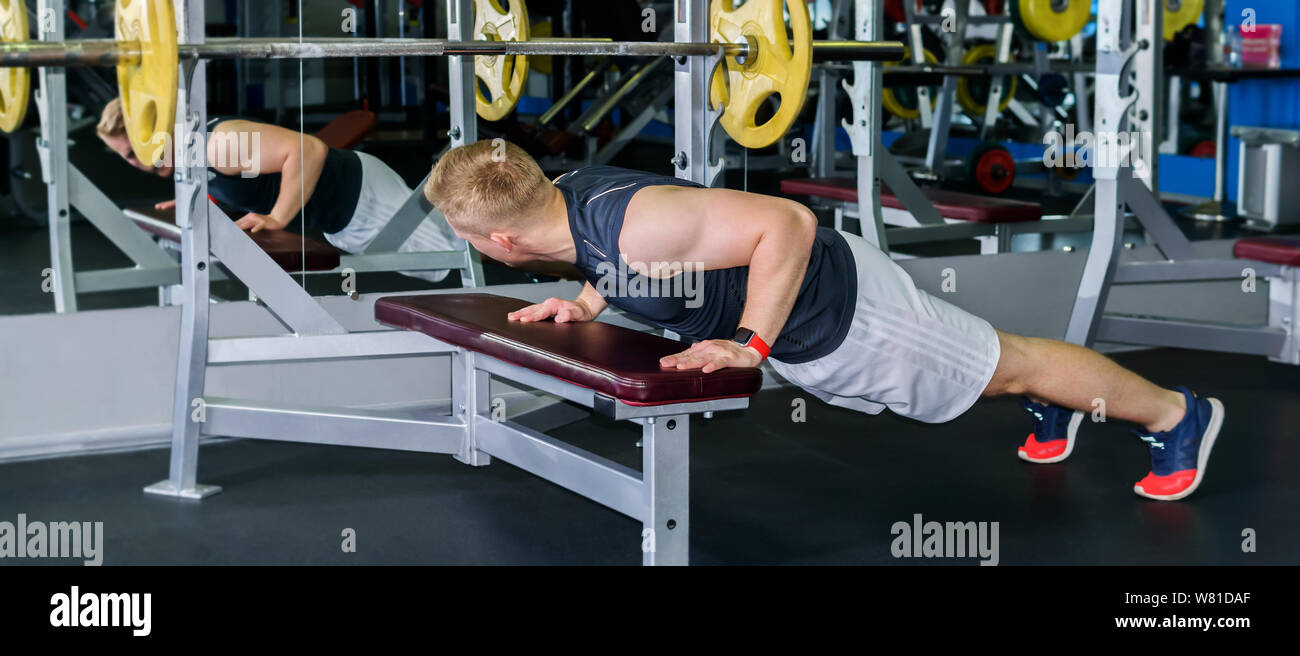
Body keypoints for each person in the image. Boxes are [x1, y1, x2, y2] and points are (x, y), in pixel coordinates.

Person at [423, 139, 1224, 502]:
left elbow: (787, 226)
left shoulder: (637, 222)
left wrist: (751, 345)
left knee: (1005, 362)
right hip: (820, 327)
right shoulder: (568, 201)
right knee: (975, 376)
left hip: (844, 312)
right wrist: (589, 300)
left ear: (498, 241)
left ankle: (1178, 414)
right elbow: (633, 263)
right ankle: (1053, 399)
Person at [95, 98, 460, 282]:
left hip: (361, 199)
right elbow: (244, 178)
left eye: (135, 152)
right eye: (127, 159)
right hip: (342, 215)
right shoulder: (193, 150)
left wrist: (277, 217)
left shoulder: (217, 144)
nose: (138, 164)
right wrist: (203, 196)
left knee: (452, 254)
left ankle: (516, 255)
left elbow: (306, 150)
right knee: (448, 253)